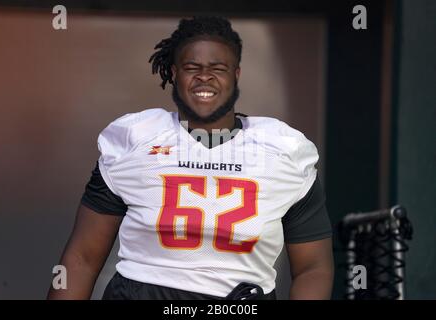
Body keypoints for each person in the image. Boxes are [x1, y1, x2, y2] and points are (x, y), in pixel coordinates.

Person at [47, 16, 333, 300]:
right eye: (191, 67)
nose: (204, 76)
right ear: (173, 73)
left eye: (217, 68)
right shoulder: (135, 140)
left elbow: (313, 268)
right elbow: (82, 258)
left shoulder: (283, 150)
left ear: (236, 74)